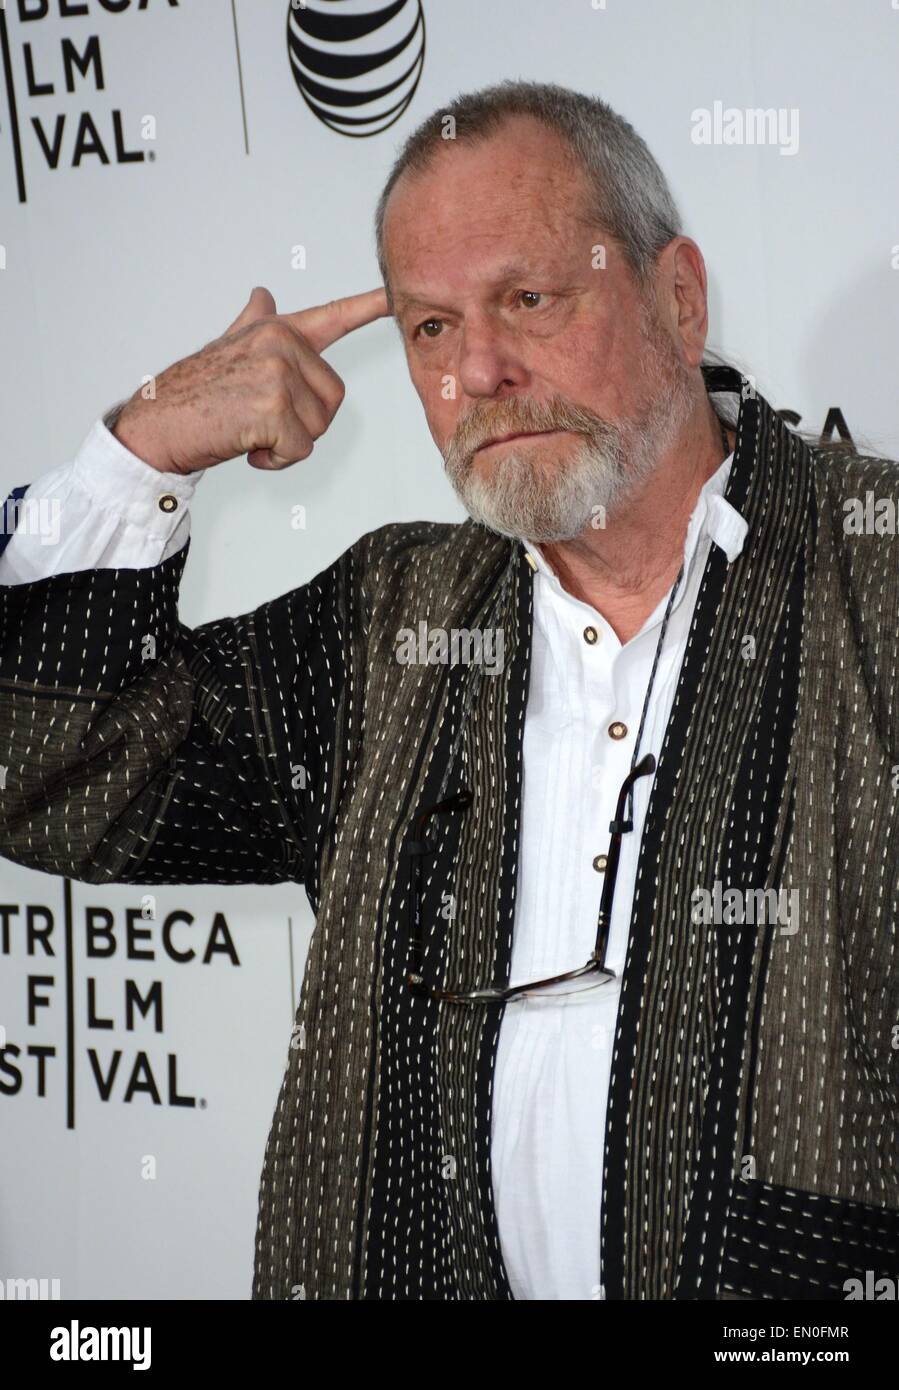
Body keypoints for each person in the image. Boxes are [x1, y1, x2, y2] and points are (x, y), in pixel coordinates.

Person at [1, 80, 897, 1302]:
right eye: (427, 327)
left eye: (529, 298)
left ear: (674, 298)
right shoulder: (393, 622)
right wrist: (146, 444)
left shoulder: (874, 574)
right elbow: (54, 774)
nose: (477, 367)